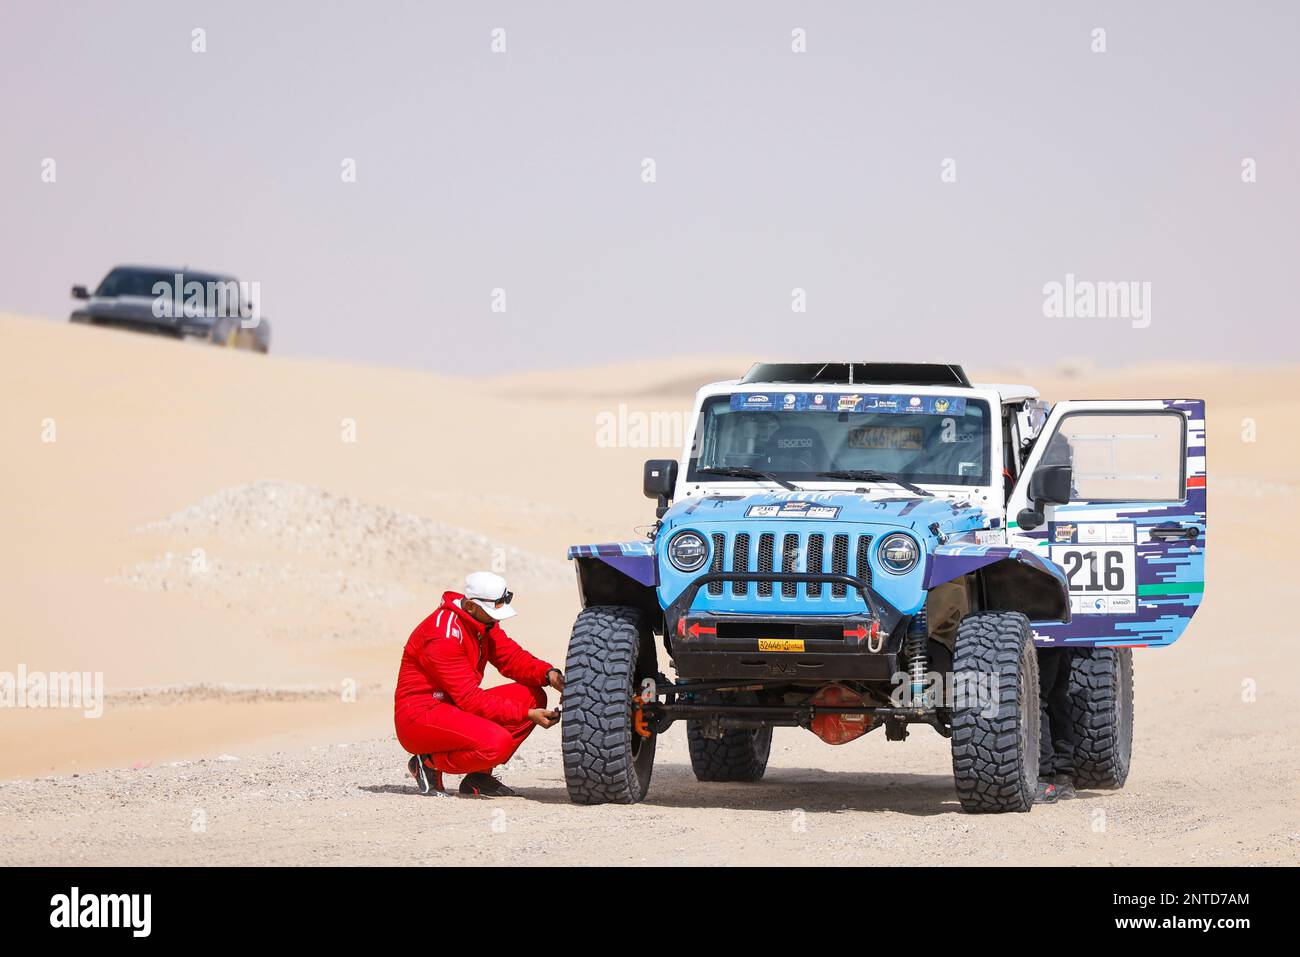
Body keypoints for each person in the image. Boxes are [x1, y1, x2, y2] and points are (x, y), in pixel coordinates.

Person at [395, 572, 562, 798]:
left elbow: (510, 657)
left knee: (533, 695)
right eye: (494, 613)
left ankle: (478, 778)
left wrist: (548, 674)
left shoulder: (481, 622)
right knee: (497, 744)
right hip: (421, 716)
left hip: (452, 705)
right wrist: (527, 714)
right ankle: (428, 764)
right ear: (472, 606)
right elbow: (470, 699)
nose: (498, 619)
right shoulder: (442, 637)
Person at [1035, 647, 1078, 803]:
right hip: (1058, 632)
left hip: (1040, 632)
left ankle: (1043, 778)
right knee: (1057, 697)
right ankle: (1062, 776)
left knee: (1038, 698)